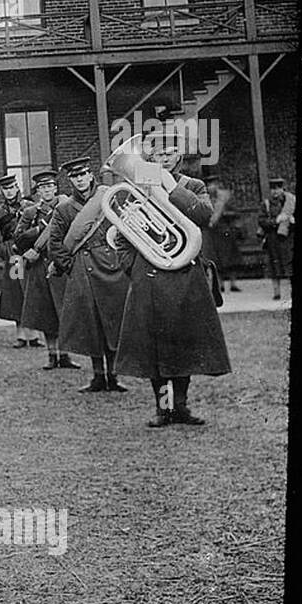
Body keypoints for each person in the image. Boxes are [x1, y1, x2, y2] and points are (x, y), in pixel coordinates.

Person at [112, 139, 231, 426]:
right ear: (149, 156)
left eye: (170, 152)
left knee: (183, 345)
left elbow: (203, 216)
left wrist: (169, 186)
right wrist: (134, 267)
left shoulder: (193, 186)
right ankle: (162, 409)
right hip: (149, 276)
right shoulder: (137, 187)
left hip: (185, 275)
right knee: (155, 348)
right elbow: (121, 234)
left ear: (178, 156)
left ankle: (180, 407)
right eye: (158, 153)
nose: (165, 157)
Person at [50, 156, 129, 393]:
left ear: (91, 175)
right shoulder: (63, 209)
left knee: (113, 322)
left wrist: (122, 261)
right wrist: (71, 267)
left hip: (112, 268)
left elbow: (124, 229)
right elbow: (55, 244)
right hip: (84, 270)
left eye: (83, 174)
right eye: (75, 176)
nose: (80, 179)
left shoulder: (107, 199)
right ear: (70, 180)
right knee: (92, 326)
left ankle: (113, 376)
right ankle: (97, 376)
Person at [14, 170, 79, 370]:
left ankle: (65, 354)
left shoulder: (66, 207)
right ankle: (52, 355)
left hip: (61, 264)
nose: (47, 190)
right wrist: (39, 230)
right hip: (40, 266)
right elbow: (18, 238)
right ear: (38, 192)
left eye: (50, 186)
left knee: (64, 310)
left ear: (56, 188)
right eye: (42, 187)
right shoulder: (30, 212)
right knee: (46, 312)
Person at [0, 172, 33, 347]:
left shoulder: (30, 206)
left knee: (33, 290)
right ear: (2, 192)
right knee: (16, 293)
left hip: (32, 253)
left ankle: (33, 335)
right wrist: (6, 253)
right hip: (14, 256)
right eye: (6, 189)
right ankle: (21, 335)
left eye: (12, 187)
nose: (10, 192)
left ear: (17, 187)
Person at [257, 177, 296, 301]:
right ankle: (276, 292)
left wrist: (292, 221)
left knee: (290, 267)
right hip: (272, 239)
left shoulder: (291, 202)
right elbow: (261, 221)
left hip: (288, 239)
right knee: (274, 268)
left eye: (278, 188)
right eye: (273, 189)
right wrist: (275, 221)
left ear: (282, 189)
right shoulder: (266, 204)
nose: (275, 191)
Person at [203, 175, 242, 293]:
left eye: (213, 184)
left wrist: (225, 214)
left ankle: (233, 283)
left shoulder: (226, 197)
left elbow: (236, 212)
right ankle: (220, 284)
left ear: (218, 185)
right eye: (209, 185)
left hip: (226, 230)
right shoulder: (204, 198)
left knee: (230, 259)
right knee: (216, 260)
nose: (211, 187)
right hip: (212, 233)